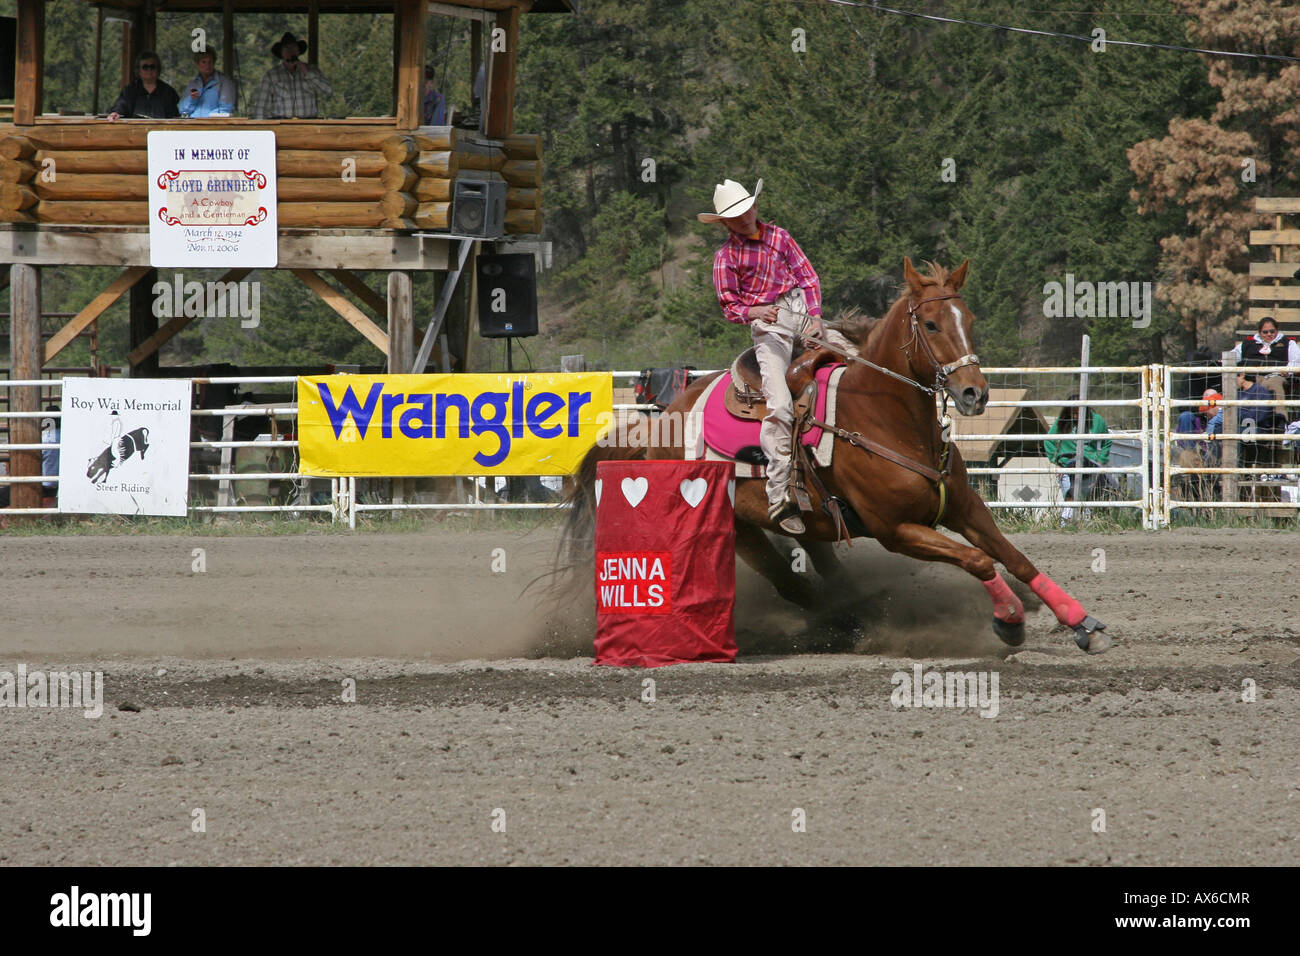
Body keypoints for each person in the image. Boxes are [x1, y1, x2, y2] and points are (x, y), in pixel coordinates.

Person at [700, 177, 826, 534]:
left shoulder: (780, 237)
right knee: (780, 406)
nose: (743, 219)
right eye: (734, 217)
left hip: (799, 312)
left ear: (754, 206)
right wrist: (754, 313)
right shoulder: (725, 257)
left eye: (745, 210)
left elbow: (808, 277)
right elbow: (729, 306)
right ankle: (778, 494)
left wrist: (814, 318)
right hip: (769, 329)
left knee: (851, 361)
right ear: (724, 223)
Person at [1045, 395, 1113, 520]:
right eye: (1073, 412)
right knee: (1071, 497)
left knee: (1086, 498)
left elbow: (1106, 441)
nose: (1075, 416)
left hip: (1089, 465)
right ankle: (1067, 524)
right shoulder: (1063, 422)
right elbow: (1048, 441)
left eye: (1078, 412)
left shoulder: (1097, 421)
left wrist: (1100, 460)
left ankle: (1084, 524)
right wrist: (1057, 461)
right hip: (1068, 464)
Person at [253, 32, 333, 120]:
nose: (291, 51)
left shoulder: (312, 70)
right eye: (287, 49)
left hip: (308, 126)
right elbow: (261, 108)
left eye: (294, 48)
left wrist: (306, 72)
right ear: (281, 53)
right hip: (281, 126)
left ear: (299, 51)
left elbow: (328, 91)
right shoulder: (271, 76)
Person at [107, 52, 180, 121]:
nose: (149, 70)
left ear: (158, 69)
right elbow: (121, 105)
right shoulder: (130, 90)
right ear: (138, 70)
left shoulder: (168, 91)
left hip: (161, 131)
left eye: (152, 67)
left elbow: (174, 116)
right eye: (145, 67)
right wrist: (116, 113)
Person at [179, 49, 237, 118]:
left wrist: (206, 118)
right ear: (197, 64)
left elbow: (226, 110)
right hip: (193, 125)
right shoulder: (193, 83)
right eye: (204, 62)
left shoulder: (224, 82)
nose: (207, 65)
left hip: (214, 125)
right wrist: (192, 99)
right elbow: (183, 111)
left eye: (210, 62)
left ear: (214, 63)